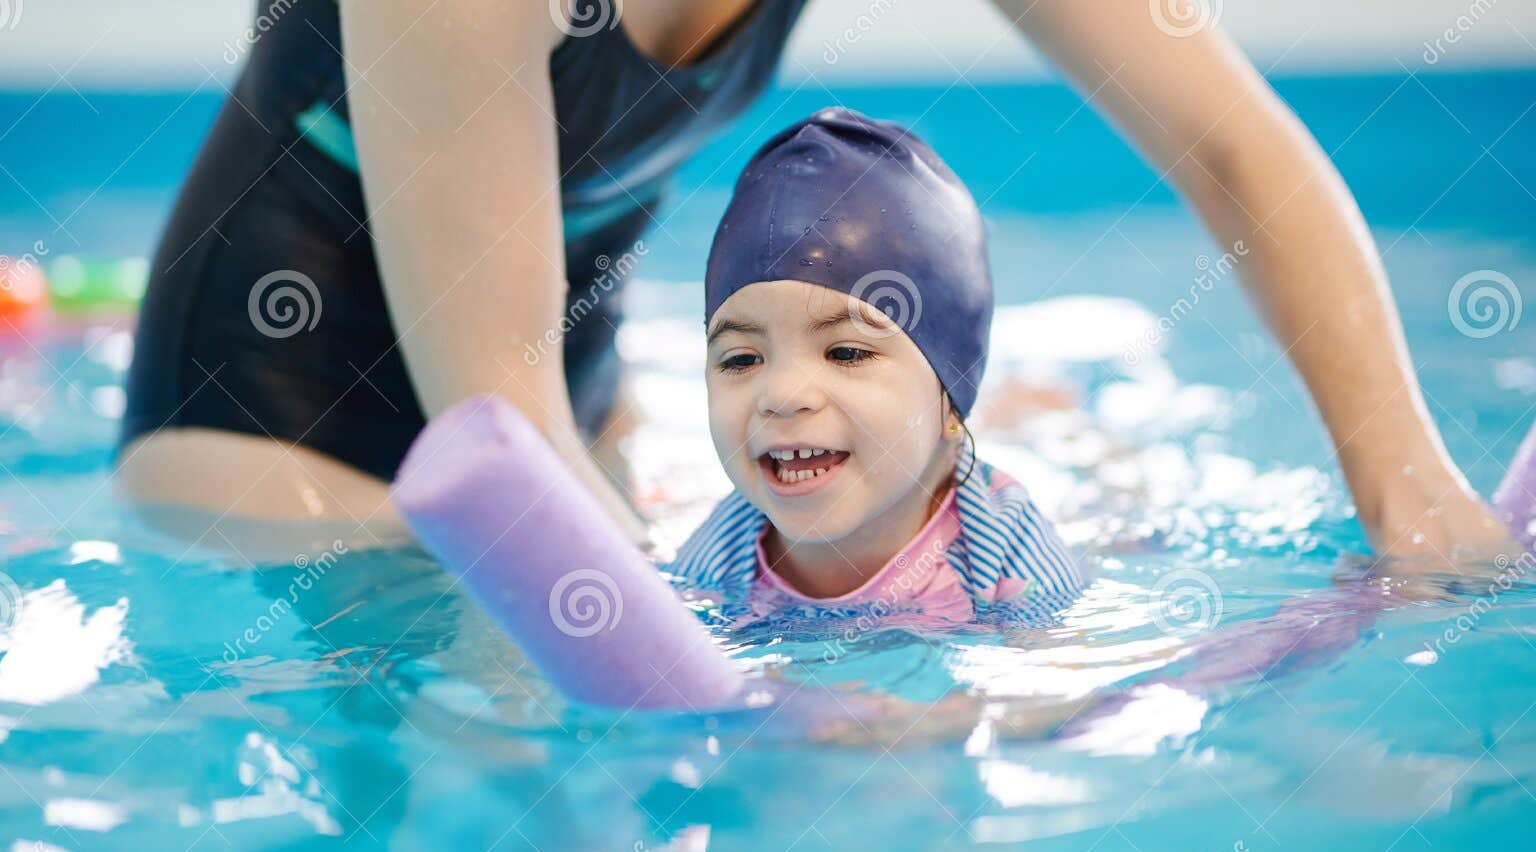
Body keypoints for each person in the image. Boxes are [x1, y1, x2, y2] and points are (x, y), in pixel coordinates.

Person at [115, 0, 1512, 566]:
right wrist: (753, 711)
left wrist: (1413, 497)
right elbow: (498, 437)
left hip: (569, 393)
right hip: (277, 416)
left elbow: (1231, 147)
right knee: (510, 769)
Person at [669, 108, 1082, 626]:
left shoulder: (1001, 546)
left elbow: (1063, 691)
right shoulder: (723, 549)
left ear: (951, 396)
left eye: (846, 353)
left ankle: (1039, 418)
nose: (782, 393)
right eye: (742, 359)